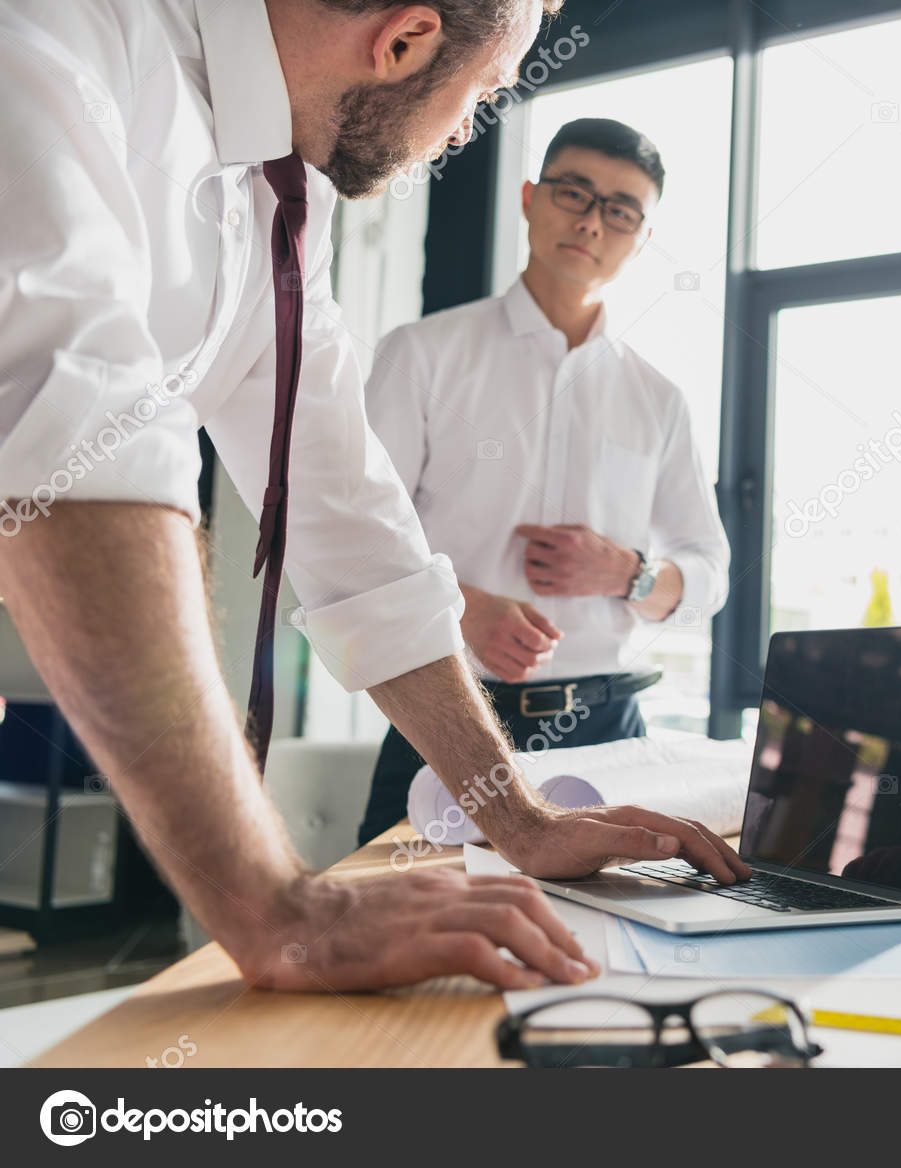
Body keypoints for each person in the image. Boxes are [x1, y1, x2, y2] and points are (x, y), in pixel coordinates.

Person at [0, 0, 746, 996]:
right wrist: (276, 907)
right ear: (403, 41)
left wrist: (517, 816)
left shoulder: (283, 208)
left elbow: (354, 524)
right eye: (480, 96)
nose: (466, 131)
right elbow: (75, 439)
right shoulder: (57, 36)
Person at [358, 117, 729, 844]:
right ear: (529, 198)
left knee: (602, 946)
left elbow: (709, 575)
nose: (592, 222)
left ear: (642, 238)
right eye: (574, 193)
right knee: (393, 929)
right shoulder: (422, 356)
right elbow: (359, 539)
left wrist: (630, 573)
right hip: (448, 712)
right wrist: (460, 609)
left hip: (610, 731)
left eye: (620, 211)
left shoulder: (659, 400)